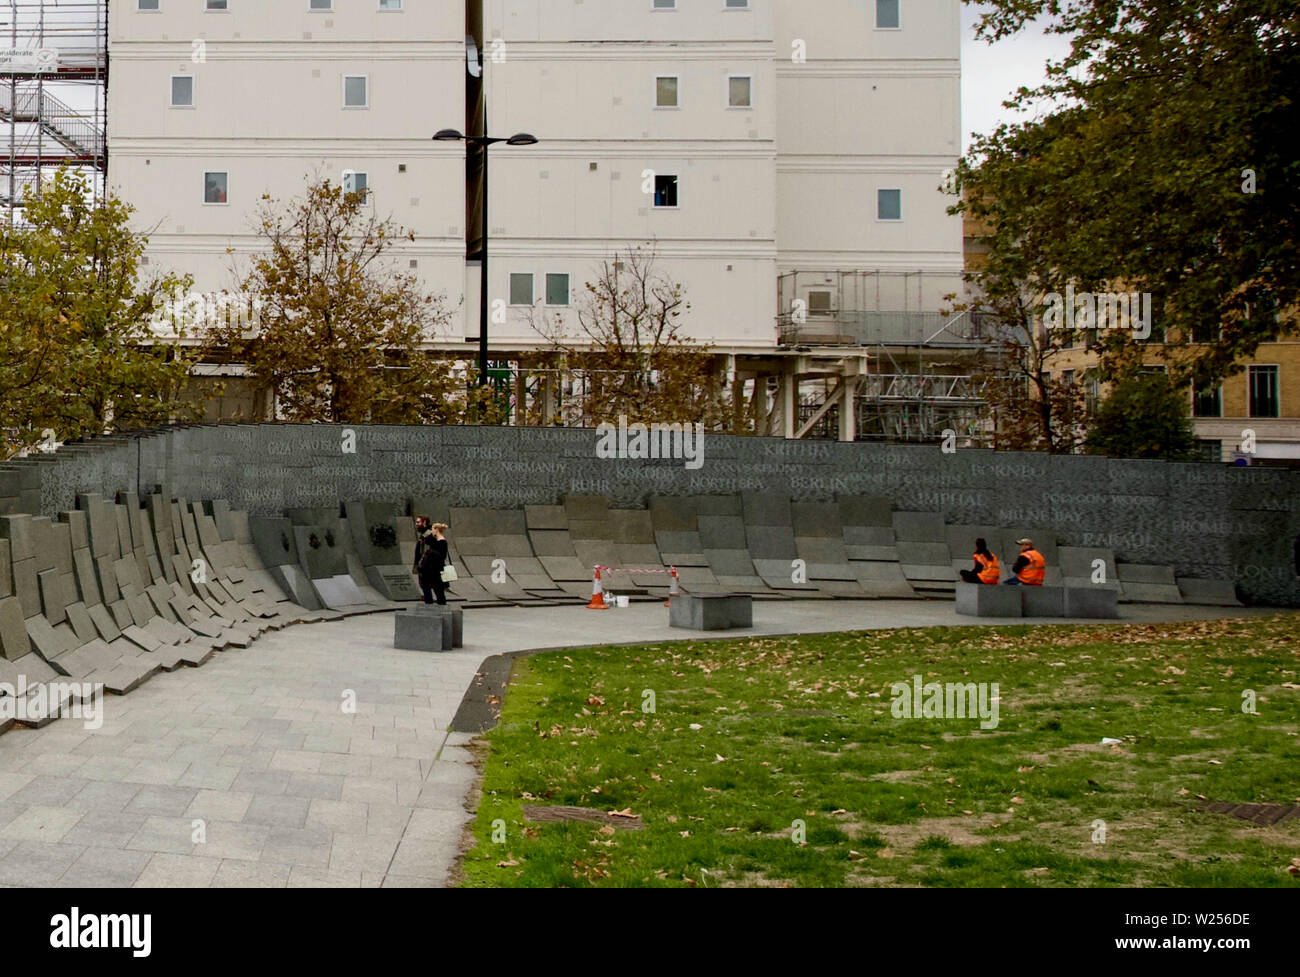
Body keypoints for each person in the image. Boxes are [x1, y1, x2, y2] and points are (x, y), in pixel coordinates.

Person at [413, 517, 450, 605]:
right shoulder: (429, 537)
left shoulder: (438, 540)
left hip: (432, 570)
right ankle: (432, 608)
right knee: (431, 589)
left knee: (436, 590)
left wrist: (427, 557)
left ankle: (435, 609)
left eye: (433, 529)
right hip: (428, 568)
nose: (431, 531)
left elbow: (439, 556)